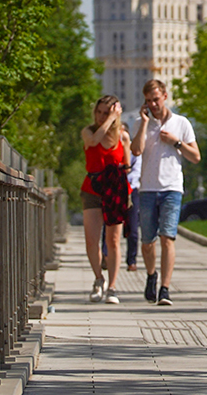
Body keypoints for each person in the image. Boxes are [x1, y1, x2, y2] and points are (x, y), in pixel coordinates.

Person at [132, 78, 199, 306]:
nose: (153, 104)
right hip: (148, 189)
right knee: (147, 241)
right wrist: (143, 123)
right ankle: (152, 276)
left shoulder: (181, 123)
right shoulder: (141, 123)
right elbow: (136, 150)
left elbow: (195, 156)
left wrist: (176, 142)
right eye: (148, 101)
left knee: (167, 238)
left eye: (156, 99)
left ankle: (165, 288)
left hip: (172, 189)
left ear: (165, 97)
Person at [80, 95, 131, 304]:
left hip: (116, 190)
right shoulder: (89, 132)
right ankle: (98, 279)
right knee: (92, 239)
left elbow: (127, 165)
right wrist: (110, 119)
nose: (102, 117)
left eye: (106, 113)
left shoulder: (123, 137)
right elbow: (93, 142)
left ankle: (112, 286)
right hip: (92, 188)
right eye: (99, 112)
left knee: (113, 241)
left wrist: (126, 195)